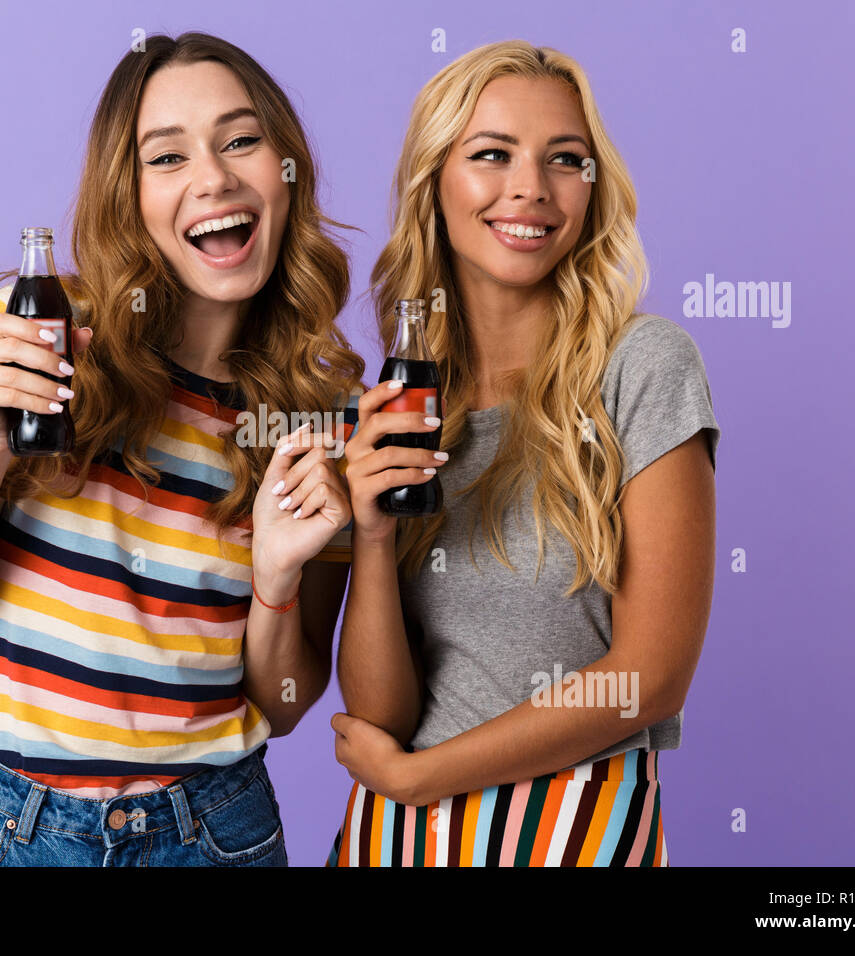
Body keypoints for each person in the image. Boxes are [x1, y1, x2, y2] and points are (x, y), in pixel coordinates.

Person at [0, 32, 363, 867]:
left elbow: (284, 704)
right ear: (129, 195)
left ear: (286, 174)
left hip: (214, 834)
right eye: (166, 157)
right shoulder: (41, 337)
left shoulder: (320, 417)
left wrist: (278, 580)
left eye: (241, 140)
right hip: (13, 831)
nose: (213, 177)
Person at [327, 39, 720, 867]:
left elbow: (650, 677)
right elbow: (379, 716)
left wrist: (424, 777)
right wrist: (368, 532)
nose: (530, 189)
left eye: (564, 160)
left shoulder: (642, 367)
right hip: (392, 839)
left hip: (569, 831)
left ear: (592, 187)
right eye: (492, 154)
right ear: (436, 180)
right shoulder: (402, 401)